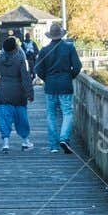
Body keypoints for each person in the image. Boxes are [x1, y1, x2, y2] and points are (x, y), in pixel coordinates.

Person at [34, 20, 82, 153]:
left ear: (50, 36)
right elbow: (77, 66)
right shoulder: (69, 48)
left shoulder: (44, 50)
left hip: (50, 86)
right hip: (65, 84)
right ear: (61, 35)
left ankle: (53, 146)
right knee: (67, 113)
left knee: (51, 115)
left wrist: (46, 78)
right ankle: (64, 138)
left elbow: (37, 68)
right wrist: (69, 76)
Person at [0, 35, 34, 151]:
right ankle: (25, 141)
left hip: (3, 93)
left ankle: (6, 143)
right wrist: (30, 93)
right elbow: (25, 78)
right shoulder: (20, 59)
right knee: (21, 118)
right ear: (15, 48)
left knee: (4, 118)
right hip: (19, 94)